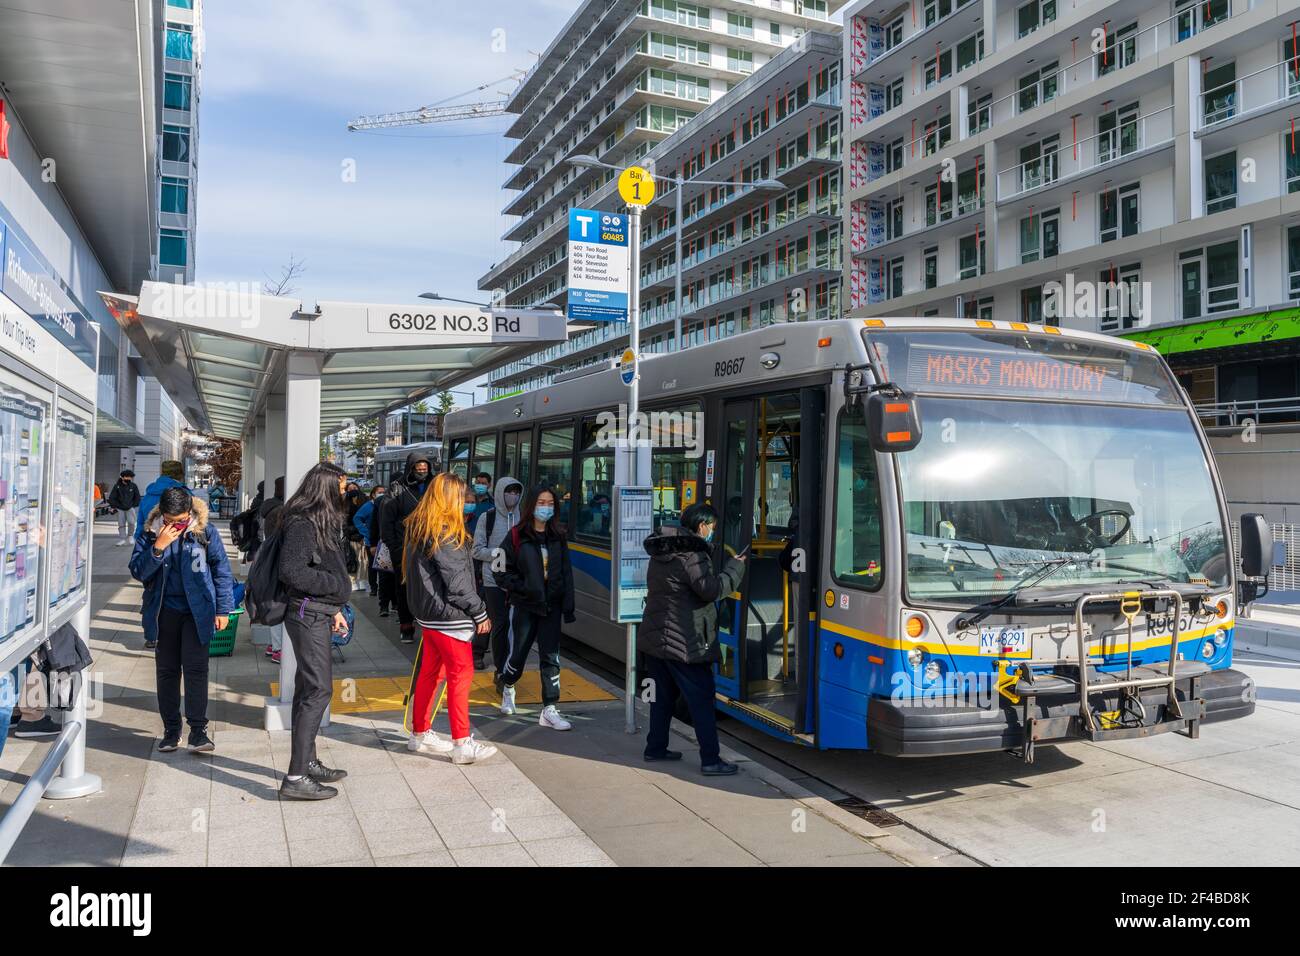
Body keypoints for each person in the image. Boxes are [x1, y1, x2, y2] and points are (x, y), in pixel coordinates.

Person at [639, 502, 746, 775]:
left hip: (656, 639)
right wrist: (735, 568)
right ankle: (711, 760)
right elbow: (709, 590)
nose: (712, 532)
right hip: (685, 642)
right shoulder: (693, 556)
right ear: (702, 527)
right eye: (711, 527)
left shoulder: (662, 552)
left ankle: (656, 748)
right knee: (701, 700)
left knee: (663, 697)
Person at [130, 487, 235, 754]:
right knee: (166, 671)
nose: (174, 526)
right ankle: (171, 730)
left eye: (179, 520)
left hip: (198, 611)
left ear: (190, 512)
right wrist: (158, 547)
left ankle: (198, 731)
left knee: (196, 669)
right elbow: (138, 572)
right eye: (169, 520)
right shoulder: (150, 532)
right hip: (163, 611)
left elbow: (221, 571)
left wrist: (223, 610)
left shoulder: (204, 532)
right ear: (161, 514)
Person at [404, 474, 497, 764]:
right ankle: (462, 743)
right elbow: (458, 583)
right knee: (461, 676)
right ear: (448, 499)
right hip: (450, 619)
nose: (465, 503)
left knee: (430, 674)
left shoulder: (421, 528)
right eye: (461, 497)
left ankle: (419, 734)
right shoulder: (447, 533)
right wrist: (480, 611)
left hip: (429, 618)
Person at [276, 462, 353, 800]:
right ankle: (295, 778)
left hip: (319, 612)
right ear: (325, 488)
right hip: (307, 614)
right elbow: (292, 571)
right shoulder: (303, 523)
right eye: (340, 486)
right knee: (319, 690)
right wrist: (332, 586)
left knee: (308, 687)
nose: (344, 491)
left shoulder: (321, 521)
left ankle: (306, 761)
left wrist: (334, 607)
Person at [497, 483, 576, 730]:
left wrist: (568, 604)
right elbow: (499, 570)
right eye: (541, 503)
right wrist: (523, 587)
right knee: (518, 655)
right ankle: (508, 685)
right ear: (531, 506)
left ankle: (549, 708)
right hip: (524, 606)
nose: (546, 508)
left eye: (550, 503)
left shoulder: (558, 536)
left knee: (551, 657)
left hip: (550, 606)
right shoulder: (515, 536)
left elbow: (566, 572)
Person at [380, 452, 434, 643]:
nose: (422, 472)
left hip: (430, 547)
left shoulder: (434, 485)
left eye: (425, 469)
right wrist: (394, 547)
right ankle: (406, 626)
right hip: (403, 548)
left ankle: (429, 627)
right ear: (410, 468)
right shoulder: (397, 488)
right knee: (404, 588)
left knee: (430, 588)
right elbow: (386, 521)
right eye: (418, 470)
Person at [472, 476, 522, 673]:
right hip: (493, 581)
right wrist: (499, 554)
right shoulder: (488, 517)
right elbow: (476, 550)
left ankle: (511, 666)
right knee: (500, 624)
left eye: (517, 492)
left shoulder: (523, 518)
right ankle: (501, 669)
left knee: (515, 625)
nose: (513, 496)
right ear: (501, 493)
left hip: (517, 581)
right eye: (509, 492)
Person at [135, 460, 192, 548]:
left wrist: (139, 543)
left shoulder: (149, 494)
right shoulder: (184, 493)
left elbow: (140, 522)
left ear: (162, 472)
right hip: (179, 543)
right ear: (180, 473)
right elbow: (195, 519)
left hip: (149, 541)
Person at [352, 485, 385, 599]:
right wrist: (365, 532)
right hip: (371, 541)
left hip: (383, 540)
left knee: (383, 567)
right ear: (373, 494)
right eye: (379, 492)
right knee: (372, 566)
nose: (382, 494)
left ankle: (383, 589)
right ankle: (374, 588)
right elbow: (357, 518)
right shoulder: (368, 506)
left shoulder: (385, 504)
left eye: (383, 492)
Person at [345, 485, 369, 591]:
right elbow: (345, 523)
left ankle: (363, 581)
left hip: (364, 537)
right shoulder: (345, 504)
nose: (353, 490)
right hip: (352, 537)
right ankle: (353, 581)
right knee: (352, 560)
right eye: (349, 488)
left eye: (354, 487)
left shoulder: (365, 502)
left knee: (364, 560)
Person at [108, 469, 141, 546]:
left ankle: (130, 536)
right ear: (122, 477)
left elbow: (137, 497)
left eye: (130, 477)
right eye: (127, 477)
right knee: (121, 524)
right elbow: (112, 497)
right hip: (120, 508)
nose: (129, 479)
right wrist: (115, 506)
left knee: (132, 522)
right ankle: (122, 539)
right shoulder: (117, 486)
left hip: (130, 508)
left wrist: (133, 505)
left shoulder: (133, 486)